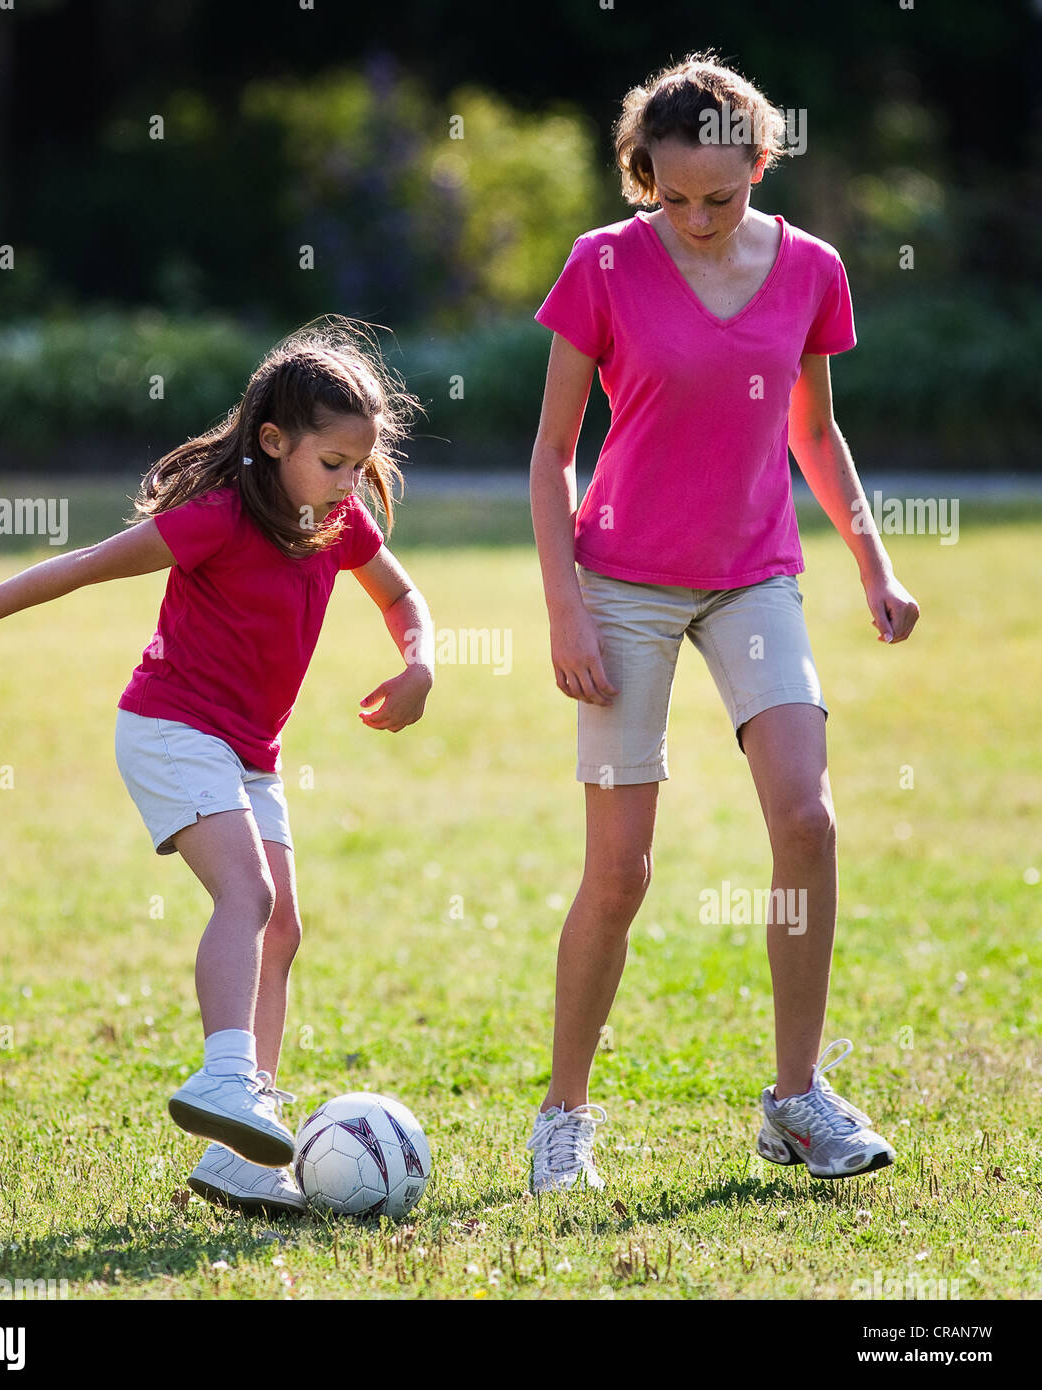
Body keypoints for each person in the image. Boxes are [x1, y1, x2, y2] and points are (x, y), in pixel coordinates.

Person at [0, 318, 435, 1215]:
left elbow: (401, 595)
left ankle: (241, 1152)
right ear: (274, 442)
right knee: (250, 898)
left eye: (361, 466)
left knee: (282, 931)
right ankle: (225, 1077)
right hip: (170, 727)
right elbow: (88, 565)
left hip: (250, 752)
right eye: (333, 464)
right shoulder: (216, 520)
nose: (348, 485)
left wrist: (420, 661)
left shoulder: (339, 522)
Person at [526, 53, 919, 1191]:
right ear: (640, 171)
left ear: (761, 163)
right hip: (624, 584)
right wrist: (565, 609)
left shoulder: (811, 270)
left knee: (807, 819)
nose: (695, 219)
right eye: (671, 194)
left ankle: (796, 1100)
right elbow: (552, 456)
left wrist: (872, 563)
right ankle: (564, 1115)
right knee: (622, 873)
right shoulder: (601, 264)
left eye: (722, 195)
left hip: (753, 575)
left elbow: (815, 433)